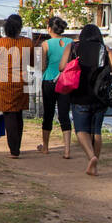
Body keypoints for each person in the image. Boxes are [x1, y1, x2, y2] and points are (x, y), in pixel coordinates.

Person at [59, 23, 112, 176]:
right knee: (96, 131)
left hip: (79, 94)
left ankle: (91, 157)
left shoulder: (73, 47)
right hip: (100, 96)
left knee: (81, 130)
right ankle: (95, 164)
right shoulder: (105, 49)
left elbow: (61, 67)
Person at [0, 14, 35, 158]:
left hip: (4, 84)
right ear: (20, 27)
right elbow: (32, 63)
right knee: (18, 115)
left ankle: (14, 150)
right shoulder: (27, 42)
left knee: (9, 115)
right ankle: (17, 147)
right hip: (22, 83)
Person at [37, 17, 73, 159]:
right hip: (66, 81)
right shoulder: (71, 43)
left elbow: (43, 66)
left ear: (49, 28)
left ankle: (45, 147)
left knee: (48, 114)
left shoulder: (45, 44)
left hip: (49, 81)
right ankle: (67, 150)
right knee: (64, 114)